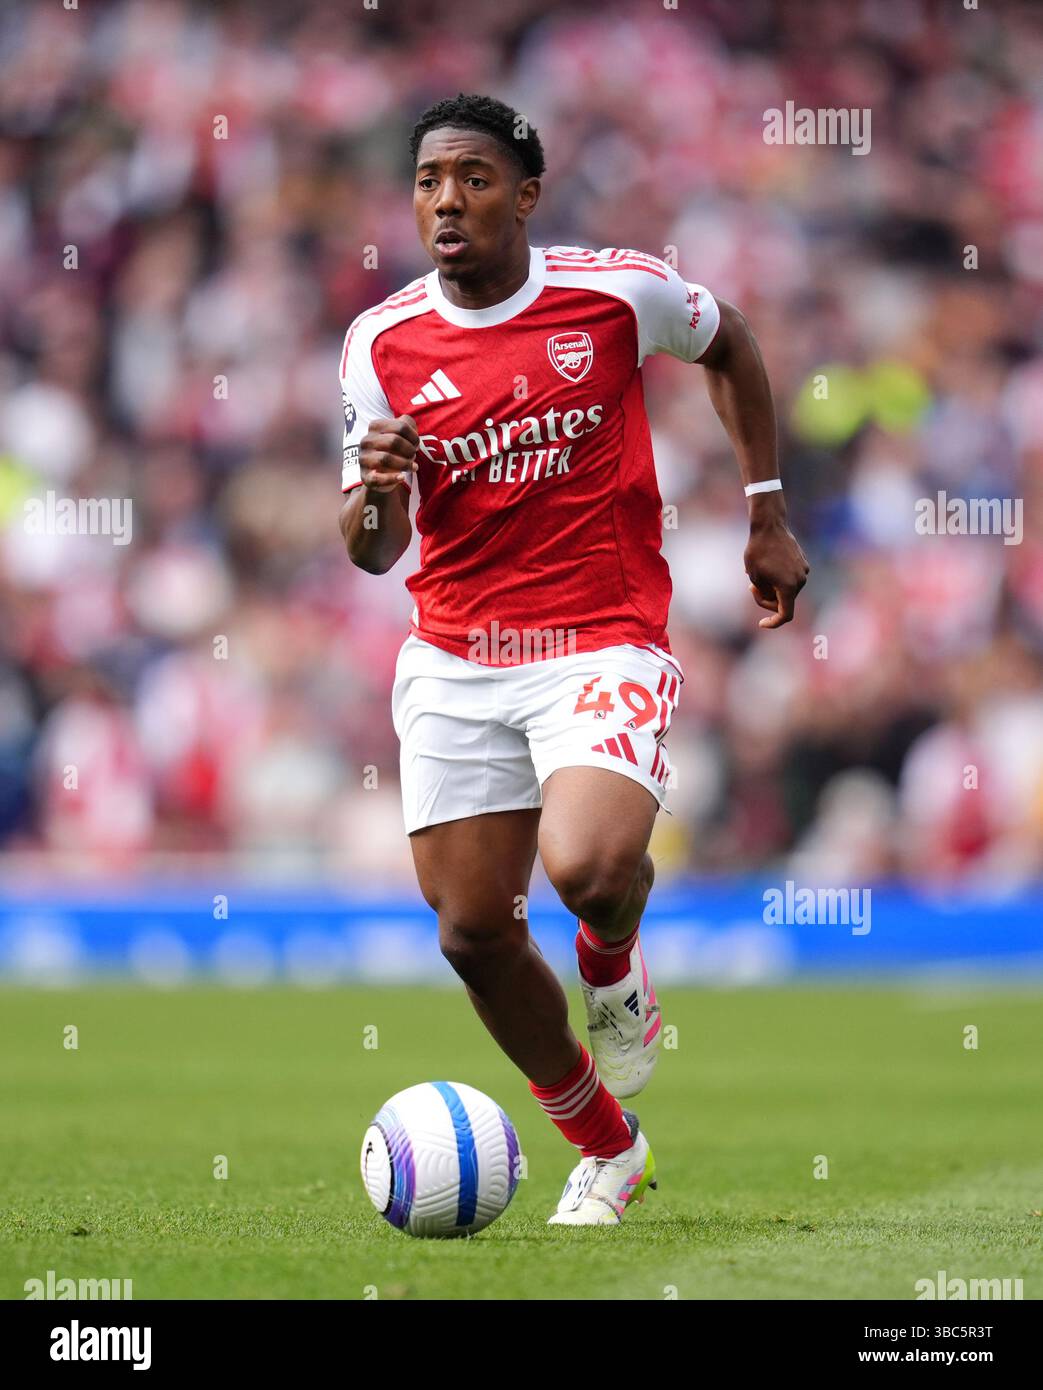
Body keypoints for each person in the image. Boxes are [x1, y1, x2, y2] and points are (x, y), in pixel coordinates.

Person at [338, 93, 809, 1225]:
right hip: (455, 653)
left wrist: (763, 509)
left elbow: (731, 342)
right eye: (428, 182)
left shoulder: (613, 293)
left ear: (526, 196)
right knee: (471, 933)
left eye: (474, 178)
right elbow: (370, 549)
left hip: (599, 633)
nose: (447, 201)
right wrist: (379, 488)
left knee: (589, 869)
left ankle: (611, 957)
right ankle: (607, 1146)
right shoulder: (377, 343)